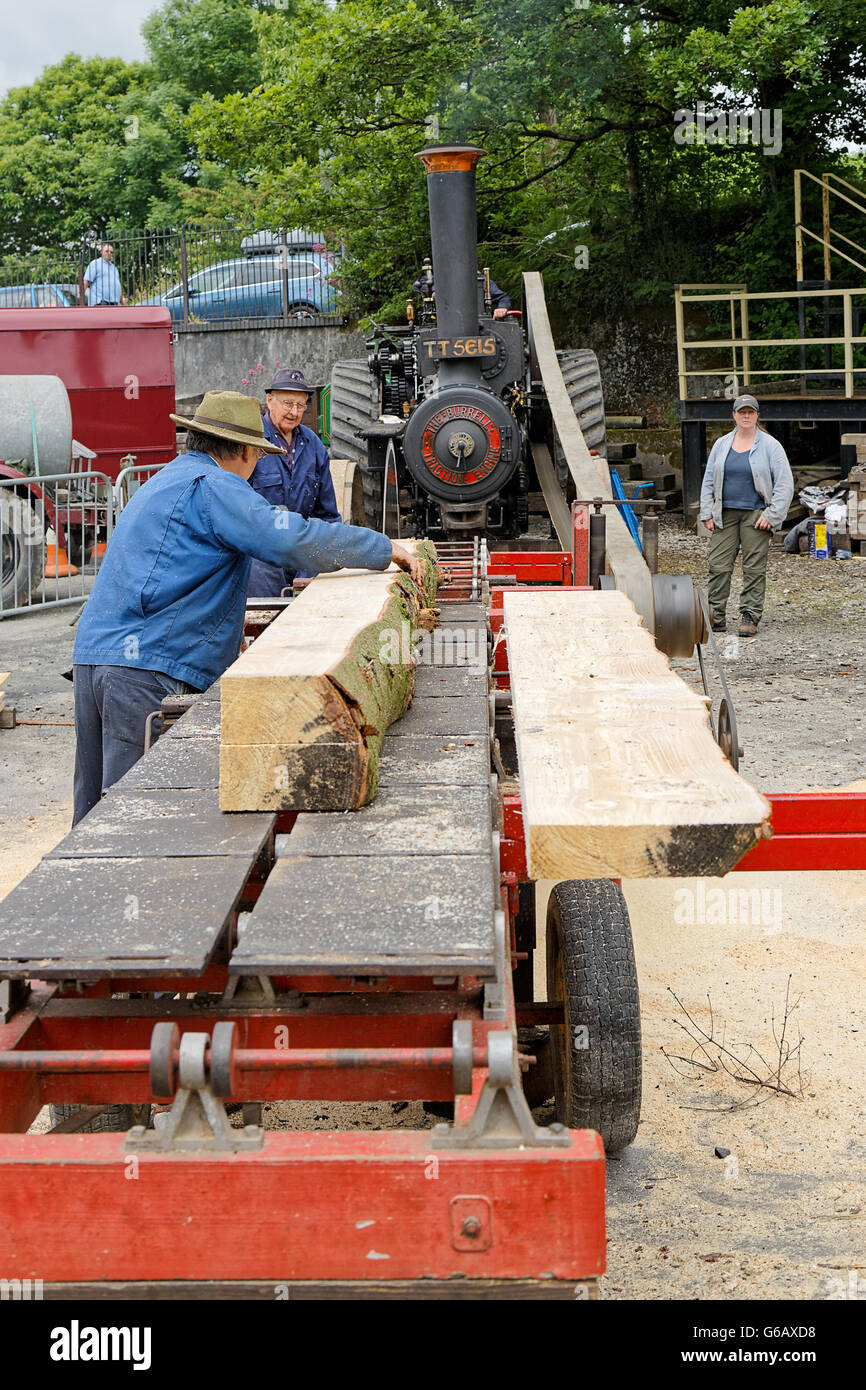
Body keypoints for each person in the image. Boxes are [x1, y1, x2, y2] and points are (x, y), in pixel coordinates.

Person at [70, 390, 425, 825]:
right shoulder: (215, 485)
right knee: (134, 824)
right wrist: (380, 547)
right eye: (257, 454)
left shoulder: (164, 480)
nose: (257, 464)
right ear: (242, 450)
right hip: (145, 669)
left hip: (95, 659)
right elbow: (289, 539)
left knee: (90, 825)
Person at [699, 394, 794, 636]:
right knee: (718, 566)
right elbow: (708, 480)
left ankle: (749, 615)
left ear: (757, 415)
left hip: (755, 514)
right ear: (734, 415)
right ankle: (714, 616)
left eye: (750, 412)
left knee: (753, 568)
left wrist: (773, 515)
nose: (746, 416)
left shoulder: (771, 446)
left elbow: (785, 484)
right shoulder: (721, 444)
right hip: (724, 514)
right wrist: (706, 512)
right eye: (741, 412)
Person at [246, 367, 338, 598]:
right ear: (270, 400)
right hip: (260, 558)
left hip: (302, 555)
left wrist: (313, 563)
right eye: (288, 404)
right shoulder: (250, 441)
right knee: (264, 620)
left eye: (300, 405)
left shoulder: (313, 445)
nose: (294, 412)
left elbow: (327, 515)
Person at [412, 267, 511, 319]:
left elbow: (503, 298)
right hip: (442, 323)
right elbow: (418, 284)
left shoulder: (481, 281)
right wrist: (434, 291)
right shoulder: (437, 279)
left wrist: (501, 308)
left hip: (477, 322)